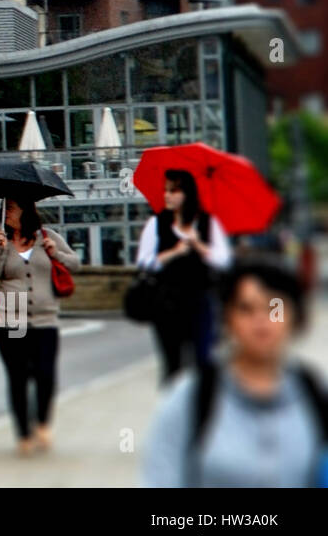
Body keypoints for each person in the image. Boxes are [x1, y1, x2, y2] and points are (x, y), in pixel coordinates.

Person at [143, 261, 328, 487]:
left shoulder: (314, 395)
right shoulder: (192, 397)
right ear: (228, 318)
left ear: (295, 316)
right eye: (246, 309)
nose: (261, 321)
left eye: (274, 309)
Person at [0, 197, 79, 455]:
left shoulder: (47, 236)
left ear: (25, 211)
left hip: (45, 319)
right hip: (11, 321)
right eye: (4, 209)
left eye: (12, 209)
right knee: (18, 377)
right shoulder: (0, 242)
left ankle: (41, 423)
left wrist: (55, 252)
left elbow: (74, 264)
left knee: (45, 374)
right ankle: (23, 434)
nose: (7, 214)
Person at [135, 169, 232, 381]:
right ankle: (176, 408)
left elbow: (223, 260)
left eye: (174, 191)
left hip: (200, 300)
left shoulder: (207, 223)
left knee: (203, 359)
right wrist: (172, 253)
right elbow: (144, 261)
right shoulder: (156, 224)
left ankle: (201, 405)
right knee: (173, 364)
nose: (167, 195)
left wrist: (199, 245)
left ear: (187, 193)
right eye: (166, 190)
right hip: (166, 303)